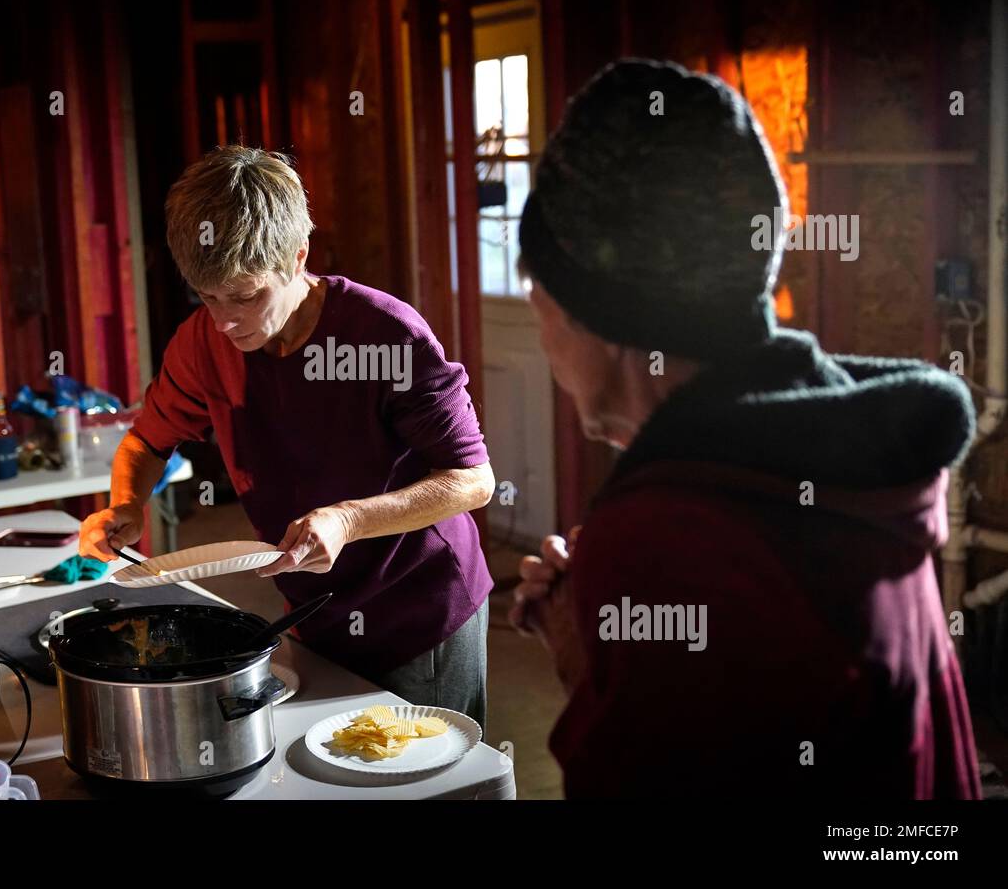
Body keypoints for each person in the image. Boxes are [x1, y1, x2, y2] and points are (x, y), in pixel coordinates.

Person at [511, 59, 981, 797]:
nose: (542, 349)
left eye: (537, 305)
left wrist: (584, 654)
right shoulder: (869, 452)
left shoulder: (663, 540)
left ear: (596, 320)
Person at [80, 145, 495, 727]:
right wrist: (126, 503)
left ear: (298, 256)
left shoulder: (384, 334)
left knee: (431, 782)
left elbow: (473, 481)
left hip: (418, 607)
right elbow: (146, 443)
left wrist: (347, 520)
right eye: (208, 297)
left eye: (246, 296)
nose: (225, 321)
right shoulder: (203, 342)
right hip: (312, 608)